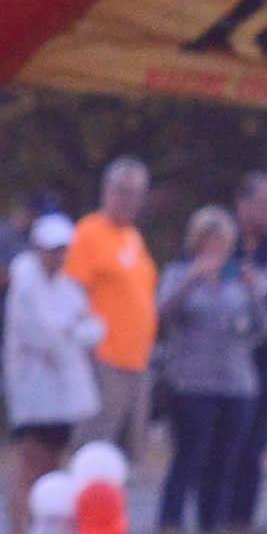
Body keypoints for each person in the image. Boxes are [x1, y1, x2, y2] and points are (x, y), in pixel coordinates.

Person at [150, 207, 267, 534]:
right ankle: (170, 525)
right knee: (190, 456)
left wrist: (256, 292)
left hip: (236, 383)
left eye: (221, 243)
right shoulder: (179, 274)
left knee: (225, 460)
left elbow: (262, 329)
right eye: (208, 242)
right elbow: (162, 315)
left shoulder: (239, 280)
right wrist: (191, 281)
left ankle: (213, 527)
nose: (215, 249)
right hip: (192, 382)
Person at [63, 159, 163, 494]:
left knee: (126, 456)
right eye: (121, 192)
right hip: (104, 360)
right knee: (93, 450)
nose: (127, 200)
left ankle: (109, 524)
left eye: (135, 194)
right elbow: (72, 294)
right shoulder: (89, 233)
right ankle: (77, 521)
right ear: (106, 191)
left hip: (137, 362)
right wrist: (86, 349)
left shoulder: (134, 237)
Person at [0, 214, 100, 486]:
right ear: (39, 250)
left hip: (62, 395)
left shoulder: (69, 288)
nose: (58, 257)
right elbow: (41, 334)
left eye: (62, 250)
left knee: (55, 464)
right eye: (52, 250)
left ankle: (46, 522)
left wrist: (70, 332)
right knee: (30, 463)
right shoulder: (25, 286)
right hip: (32, 391)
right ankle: (21, 529)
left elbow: (92, 328)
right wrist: (70, 331)